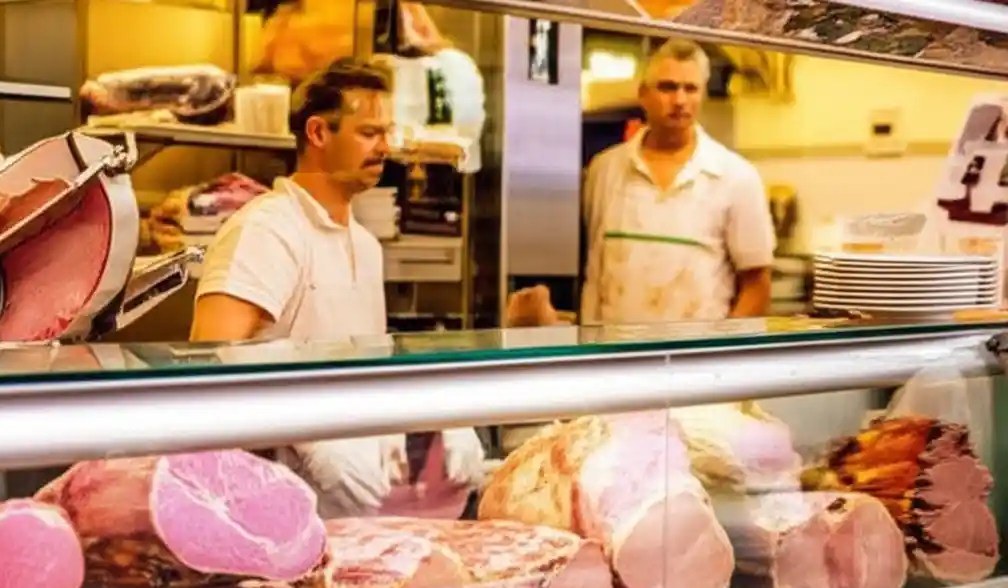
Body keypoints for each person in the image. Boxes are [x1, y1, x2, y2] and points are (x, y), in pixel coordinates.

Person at [190, 57, 485, 518]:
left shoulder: (366, 245)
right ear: (318, 133)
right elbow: (204, 366)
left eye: (387, 132)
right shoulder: (268, 229)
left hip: (352, 505)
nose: (385, 147)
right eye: (369, 132)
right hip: (270, 500)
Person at [509, 39, 776, 327]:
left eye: (691, 89)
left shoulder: (736, 177)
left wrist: (719, 352)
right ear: (643, 94)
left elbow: (757, 286)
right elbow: (594, 268)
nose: (680, 101)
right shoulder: (605, 169)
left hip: (695, 363)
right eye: (668, 87)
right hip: (611, 360)